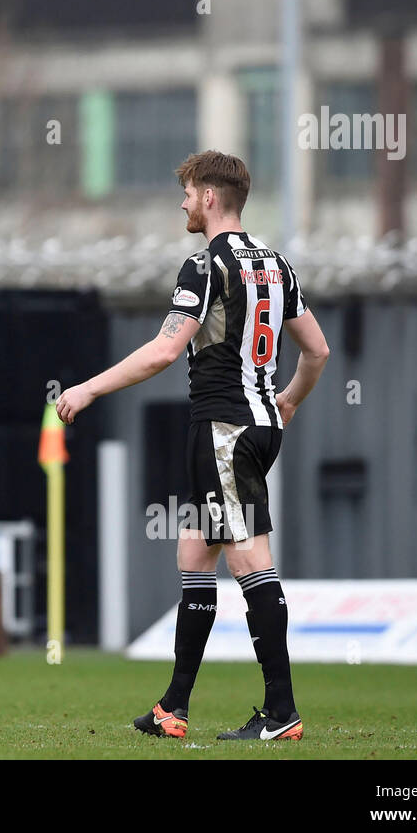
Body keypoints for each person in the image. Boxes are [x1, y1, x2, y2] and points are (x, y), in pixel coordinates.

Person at [56, 150, 329, 742]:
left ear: (209, 197)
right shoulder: (277, 265)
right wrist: (287, 402)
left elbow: (162, 351)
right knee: (194, 553)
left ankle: (281, 713)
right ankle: (172, 709)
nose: (182, 202)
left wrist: (87, 388)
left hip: (223, 430)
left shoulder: (204, 266)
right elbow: (317, 350)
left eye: (187, 192)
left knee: (249, 559)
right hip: (255, 424)